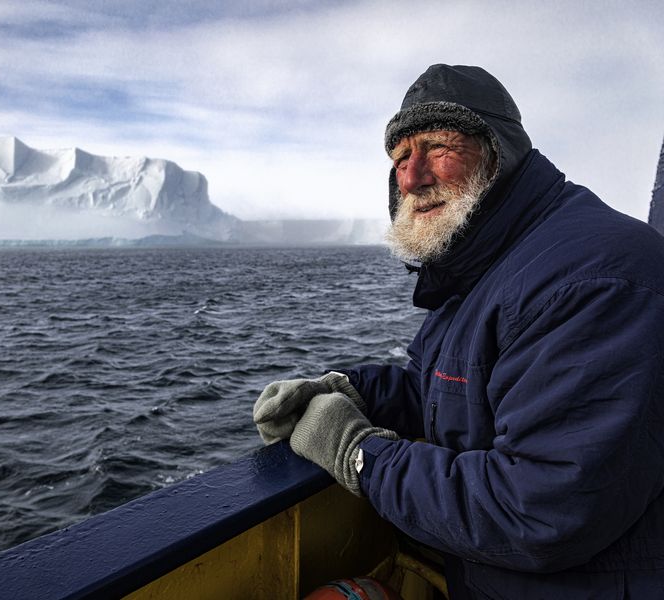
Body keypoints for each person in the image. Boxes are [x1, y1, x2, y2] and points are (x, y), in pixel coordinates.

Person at [253, 64, 664, 599]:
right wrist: (348, 388)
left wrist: (358, 453)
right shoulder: (488, 267)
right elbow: (444, 390)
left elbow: (540, 511)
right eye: (400, 158)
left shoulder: (591, 277)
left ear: (499, 151)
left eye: (438, 147)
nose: (411, 177)